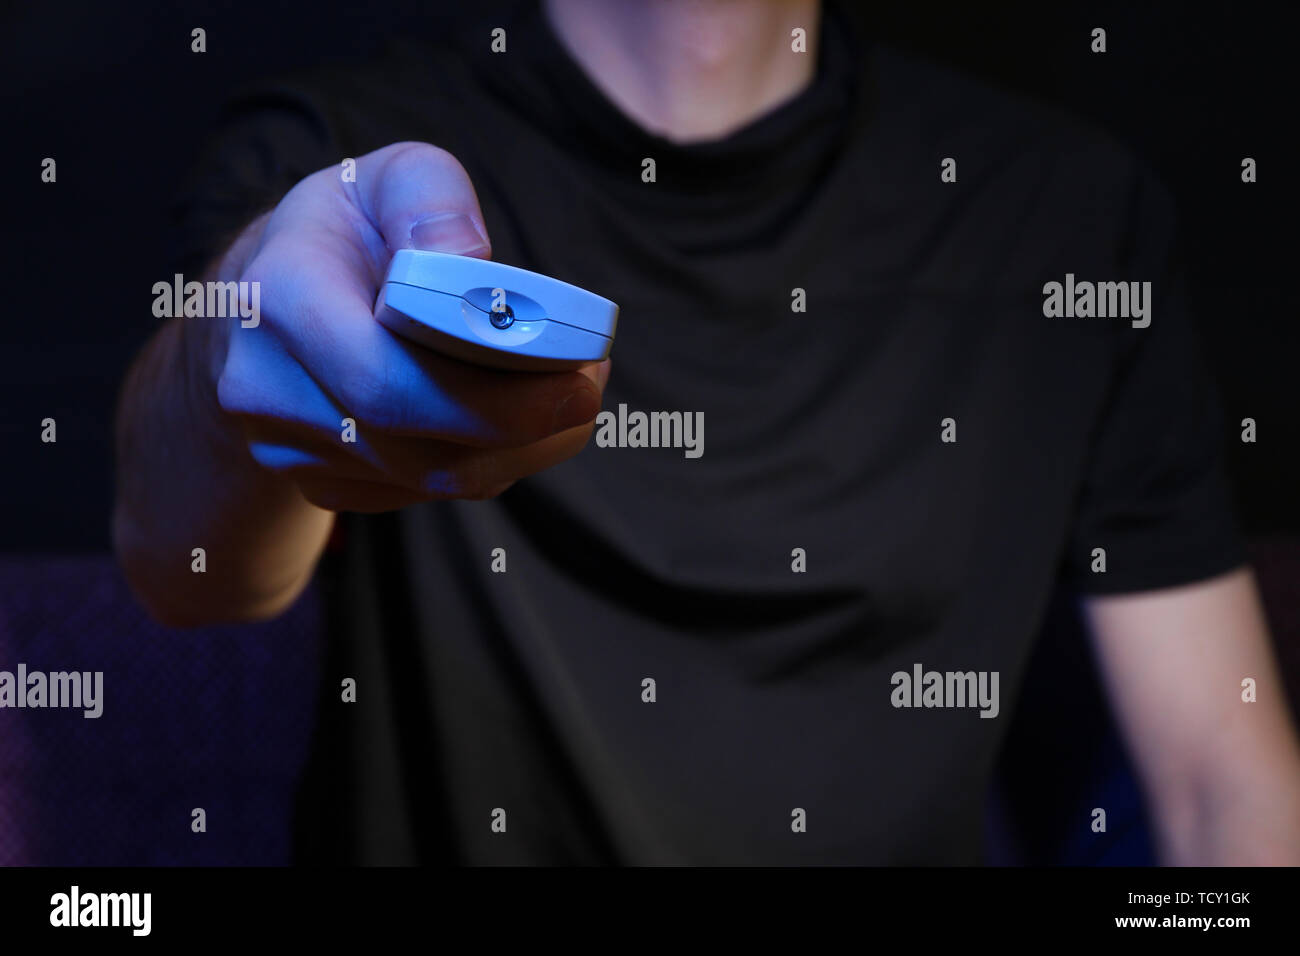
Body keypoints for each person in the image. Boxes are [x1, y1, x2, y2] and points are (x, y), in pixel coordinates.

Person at [113, 0, 1300, 865]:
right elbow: (190, 573)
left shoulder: (1069, 213)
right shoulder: (338, 158)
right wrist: (223, 367)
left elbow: (1222, 785)